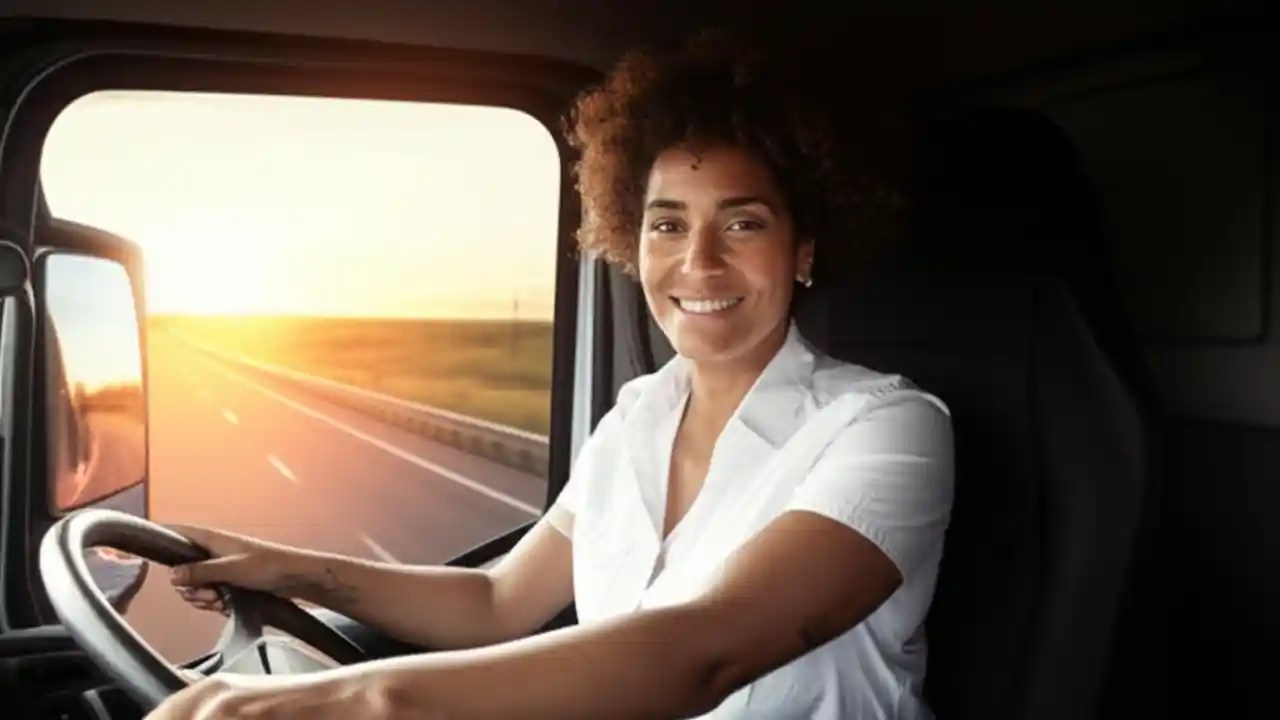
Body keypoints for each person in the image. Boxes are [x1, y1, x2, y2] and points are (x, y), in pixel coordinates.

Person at [150, 28, 954, 719]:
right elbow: (499, 601)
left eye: (742, 223)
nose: (698, 262)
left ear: (803, 247)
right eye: (667, 224)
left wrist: (354, 701)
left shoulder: (889, 428)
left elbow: (705, 651)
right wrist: (284, 568)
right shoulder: (637, 417)